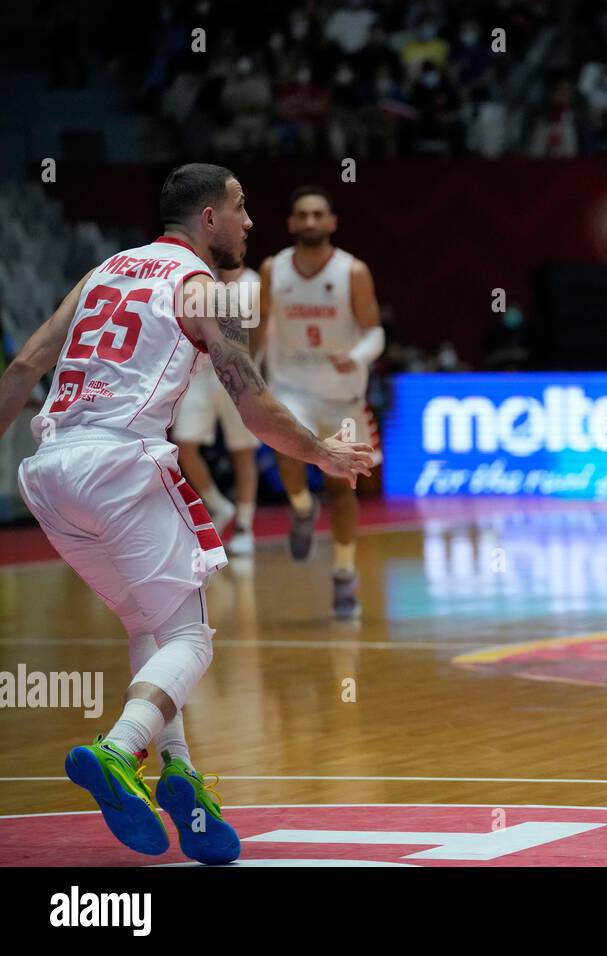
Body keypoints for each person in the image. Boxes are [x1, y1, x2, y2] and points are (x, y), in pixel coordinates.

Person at [0, 163, 372, 862]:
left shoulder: (102, 272)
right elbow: (252, 399)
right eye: (241, 209)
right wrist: (322, 455)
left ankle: (181, 777)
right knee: (194, 640)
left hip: (48, 474)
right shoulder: (200, 288)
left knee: (153, 623)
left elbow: (22, 367)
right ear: (209, 220)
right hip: (119, 465)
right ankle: (117, 751)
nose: (250, 222)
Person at [254, 186, 384, 619]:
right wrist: (247, 371)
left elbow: (374, 332)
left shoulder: (353, 271)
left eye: (317, 214)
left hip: (342, 396)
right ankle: (302, 508)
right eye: (302, 215)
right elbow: (261, 325)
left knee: (342, 488)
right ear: (291, 223)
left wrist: (359, 356)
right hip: (292, 385)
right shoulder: (273, 269)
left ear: (331, 222)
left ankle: (345, 575)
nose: (310, 222)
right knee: (284, 443)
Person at [171, 263, 261, 556]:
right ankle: (219, 505)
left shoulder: (254, 284)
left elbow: (261, 334)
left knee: (243, 452)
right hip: (202, 374)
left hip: (239, 376)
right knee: (183, 445)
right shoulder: (198, 280)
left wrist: (251, 371)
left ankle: (245, 526)